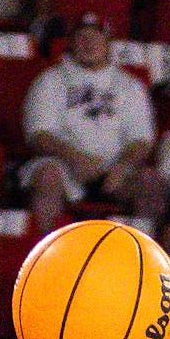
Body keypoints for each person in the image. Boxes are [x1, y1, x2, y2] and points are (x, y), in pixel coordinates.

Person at [20, 13, 156, 234]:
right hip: (64, 166)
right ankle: (46, 249)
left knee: (150, 180)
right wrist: (74, 158)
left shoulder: (130, 85)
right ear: (71, 42)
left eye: (96, 37)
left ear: (108, 42)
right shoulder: (50, 80)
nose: (89, 43)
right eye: (82, 37)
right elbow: (39, 134)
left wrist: (122, 166)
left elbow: (142, 140)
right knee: (47, 175)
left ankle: (143, 250)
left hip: (116, 169)